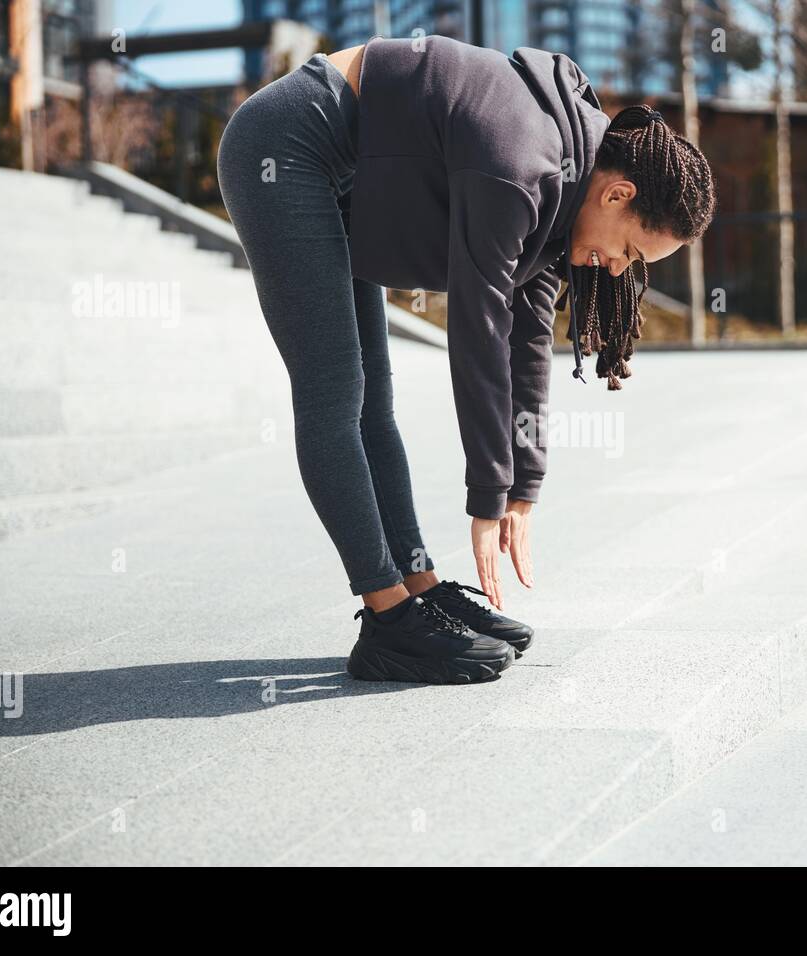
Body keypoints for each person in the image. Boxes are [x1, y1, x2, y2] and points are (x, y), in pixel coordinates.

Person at [217, 34, 716, 684]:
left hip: (352, 180)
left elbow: (529, 332)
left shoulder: (569, 192)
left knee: (375, 399)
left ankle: (417, 586)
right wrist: (487, 493)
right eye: (632, 253)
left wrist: (523, 487)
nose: (620, 269)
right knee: (335, 392)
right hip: (286, 150)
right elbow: (477, 328)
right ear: (618, 196)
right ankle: (388, 617)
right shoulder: (521, 164)